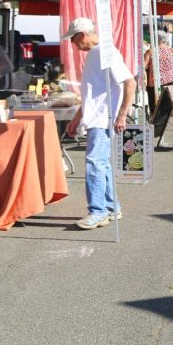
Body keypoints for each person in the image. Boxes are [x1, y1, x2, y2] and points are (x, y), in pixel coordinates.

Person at [62, 17, 137, 230]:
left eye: (74, 39)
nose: (73, 44)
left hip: (103, 118)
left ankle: (98, 211)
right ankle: (110, 207)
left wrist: (122, 115)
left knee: (95, 162)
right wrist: (77, 118)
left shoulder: (105, 52)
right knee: (101, 163)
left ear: (83, 34)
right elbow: (93, 93)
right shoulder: (98, 53)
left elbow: (130, 82)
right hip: (99, 116)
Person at [143, 30, 173, 110]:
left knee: (154, 105)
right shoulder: (172, 51)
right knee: (166, 103)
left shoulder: (150, 52)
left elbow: (144, 67)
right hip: (169, 80)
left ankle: (155, 116)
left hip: (154, 82)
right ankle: (165, 115)